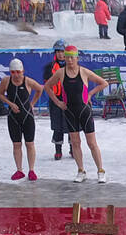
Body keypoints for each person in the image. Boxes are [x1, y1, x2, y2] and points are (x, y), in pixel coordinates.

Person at [43, 46, 108, 183]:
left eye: (72, 57)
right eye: (67, 57)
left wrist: (90, 94)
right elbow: (47, 87)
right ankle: (81, 171)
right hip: (69, 112)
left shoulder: (84, 72)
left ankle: (100, 171)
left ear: (77, 58)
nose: (70, 60)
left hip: (84, 111)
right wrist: (57, 102)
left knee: (92, 143)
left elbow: (103, 83)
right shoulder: (61, 73)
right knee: (76, 143)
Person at [0, 58, 44, 181]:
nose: (16, 75)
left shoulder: (28, 81)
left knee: (29, 143)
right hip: (13, 117)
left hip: (27, 116)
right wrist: (9, 104)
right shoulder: (6, 81)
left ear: (23, 71)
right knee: (16, 144)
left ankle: (31, 170)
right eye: (13, 72)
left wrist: (32, 104)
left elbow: (40, 89)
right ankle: (19, 170)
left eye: (18, 72)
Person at [43, 39, 69, 160]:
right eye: (58, 51)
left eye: (62, 51)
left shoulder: (72, 66)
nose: (60, 54)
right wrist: (56, 101)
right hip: (56, 99)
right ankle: (58, 150)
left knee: (72, 125)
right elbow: (47, 85)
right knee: (57, 125)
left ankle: (73, 148)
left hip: (70, 99)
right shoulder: (49, 67)